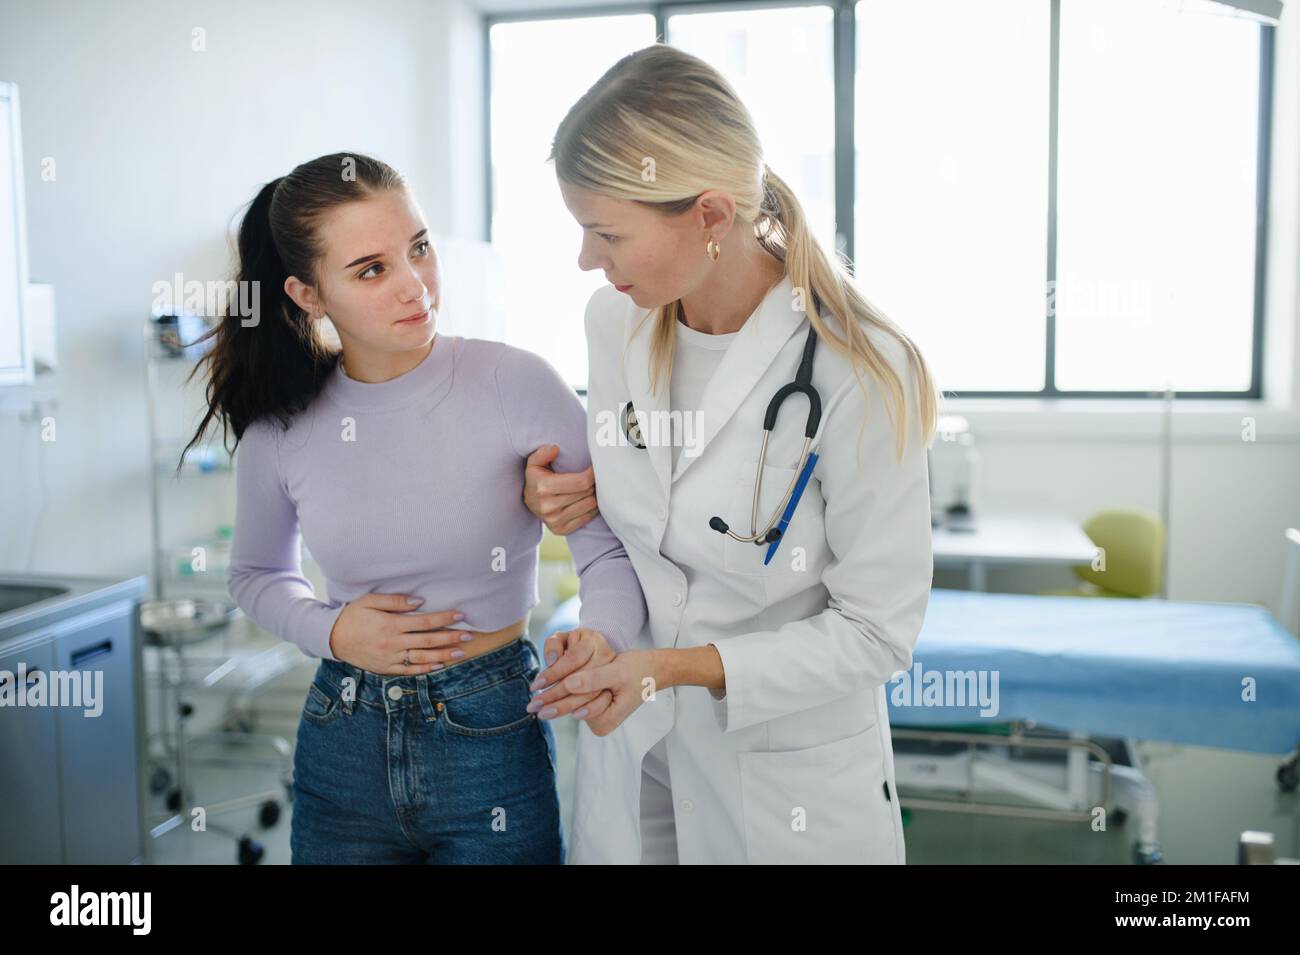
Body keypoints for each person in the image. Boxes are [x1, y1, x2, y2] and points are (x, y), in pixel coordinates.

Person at [523, 46, 941, 864]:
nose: (585, 259)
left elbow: (876, 633)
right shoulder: (615, 324)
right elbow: (651, 515)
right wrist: (577, 493)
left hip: (789, 787)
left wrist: (672, 668)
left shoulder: (860, 368)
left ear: (712, 216)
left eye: (606, 233)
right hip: (637, 751)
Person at [183, 151, 646, 863]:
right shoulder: (282, 428)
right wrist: (333, 632)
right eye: (372, 269)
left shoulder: (515, 381)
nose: (416, 285)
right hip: (342, 740)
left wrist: (602, 630)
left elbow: (603, 546)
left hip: (492, 731)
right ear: (308, 295)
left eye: (420, 249)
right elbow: (255, 574)